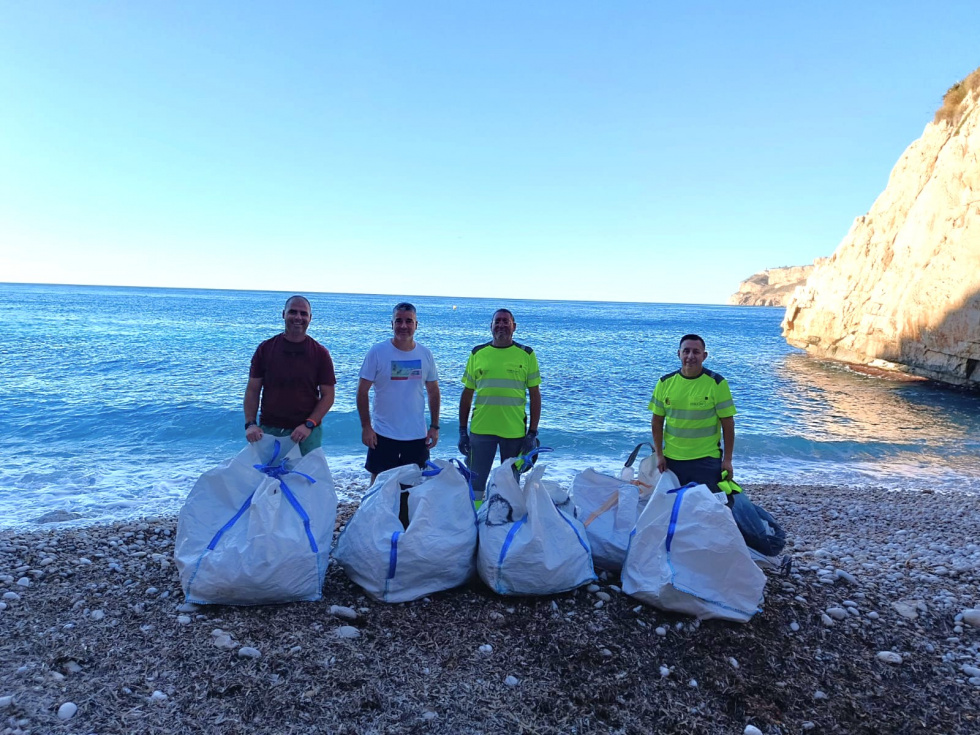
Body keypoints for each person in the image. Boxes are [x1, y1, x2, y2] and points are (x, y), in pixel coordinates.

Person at [458, 308, 541, 500]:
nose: (501, 325)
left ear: (514, 326)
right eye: (497, 321)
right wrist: (462, 431)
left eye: (506, 321)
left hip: (514, 433)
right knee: (475, 485)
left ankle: (504, 525)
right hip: (481, 430)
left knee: (509, 486)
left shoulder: (527, 355)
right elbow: (467, 393)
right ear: (491, 326)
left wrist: (532, 434)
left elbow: (535, 395)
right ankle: (474, 524)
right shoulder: (478, 353)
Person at [356, 302, 440, 484]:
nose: (403, 326)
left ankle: (407, 514)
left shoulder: (425, 354)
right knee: (379, 484)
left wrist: (434, 426)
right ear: (391, 324)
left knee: (415, 486)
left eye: (408, 321)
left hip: (417, 435)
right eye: (399, 321)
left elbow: (433, 391)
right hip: (383, 434)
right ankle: (373, 514)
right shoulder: (377, 352)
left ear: (416, 325)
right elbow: (362, 391)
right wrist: (366, 427)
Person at [244, 295, 336, 455]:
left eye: (303, 313)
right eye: (293, 312)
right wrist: (250, 424)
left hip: (307, 432)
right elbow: (253, 390)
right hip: (269, 430)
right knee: (268, 478)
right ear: (283, 314)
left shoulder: (320, 353)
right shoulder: (265, 349)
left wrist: (309, 424)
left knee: (308, 479)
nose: (298, 317)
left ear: (310, 318)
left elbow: (328, 396)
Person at [649, 334, 736, 493]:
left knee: (706, 508)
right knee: (674, 507)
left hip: (706, 460)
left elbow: (728, 424)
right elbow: (656, 422)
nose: (690, 356)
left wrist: (728, 460)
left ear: (704, 356)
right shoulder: (664, 383)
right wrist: (659, 455)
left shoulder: (717, 383)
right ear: (679, 354)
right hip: (672, 460)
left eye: (696, 352)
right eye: (686, 351)